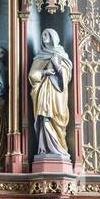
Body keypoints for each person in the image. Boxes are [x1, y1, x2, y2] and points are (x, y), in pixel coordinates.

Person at [28, 27, 73, 161]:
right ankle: (44, 149)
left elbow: (66, 76)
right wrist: (44, 72)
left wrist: (57, 65)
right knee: (44, 118)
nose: (44, 36)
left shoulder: (61, 54)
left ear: (54, 36)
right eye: (42, 34)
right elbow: (32, 75)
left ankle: (59, 149)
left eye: (47, 34)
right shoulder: (39, 56)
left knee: (56, 119)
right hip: (43, 92)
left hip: (57, 94)